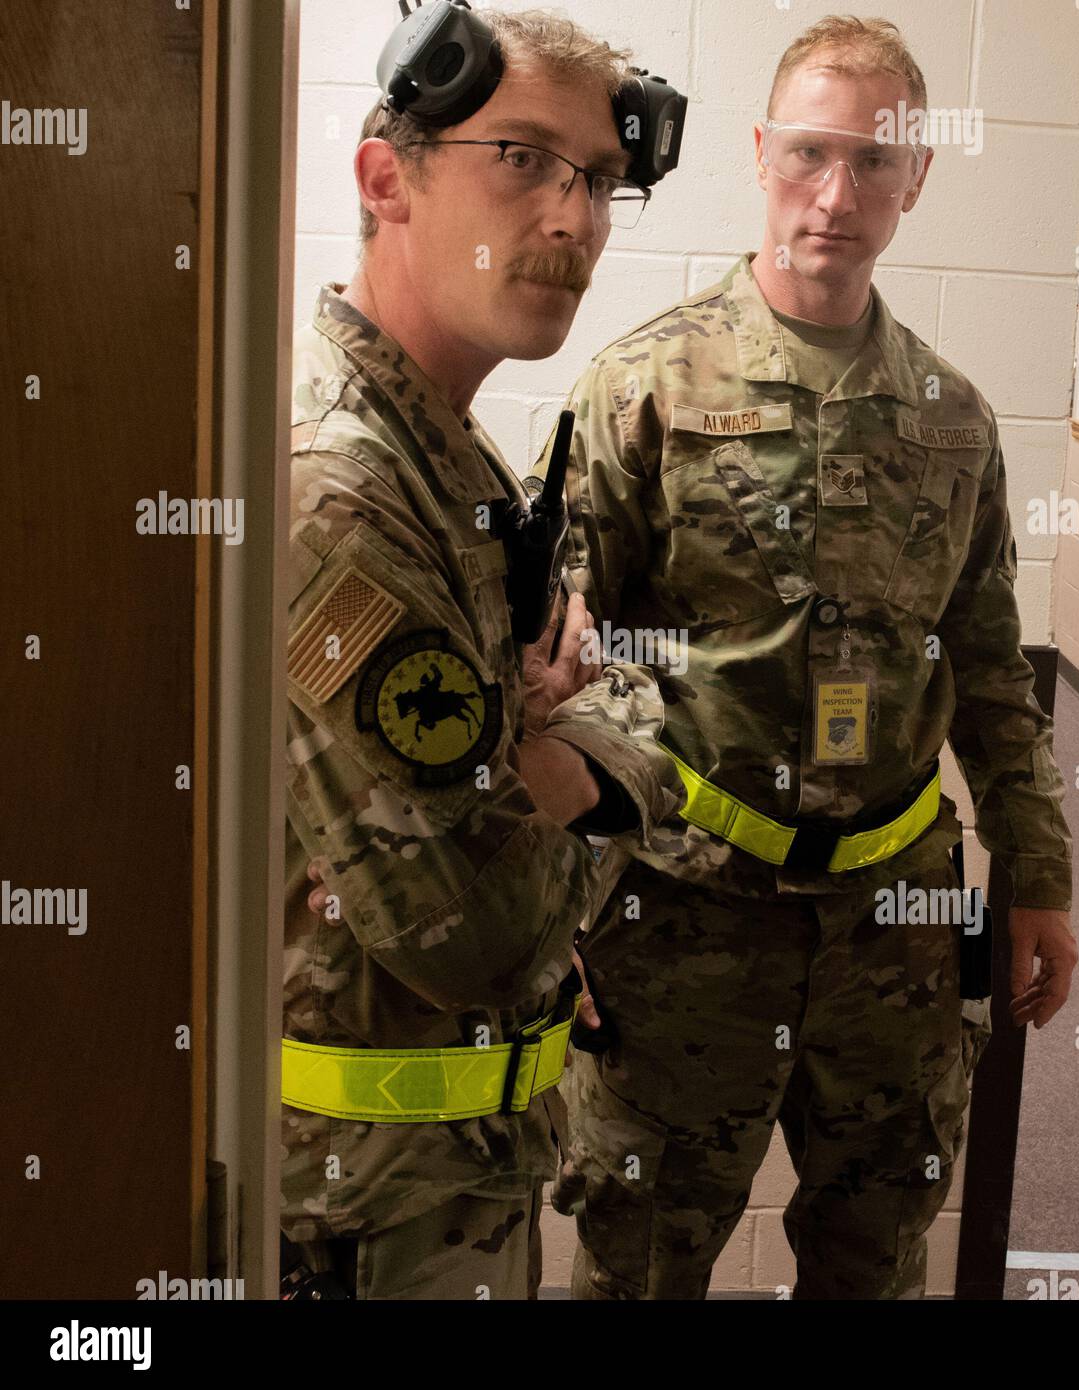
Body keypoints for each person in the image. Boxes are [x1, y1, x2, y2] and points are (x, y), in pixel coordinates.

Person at [541, 15, 1078, 1300]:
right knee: (643, 1257)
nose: (835, 195)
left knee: (880, 1254)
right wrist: (538, 911)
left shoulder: (951, 421)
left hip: (894, 919)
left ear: (916, 177)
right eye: (808, 154)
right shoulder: (640, 389)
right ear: (759, 154)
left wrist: (1038, 872)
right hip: (683, 912)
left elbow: (990, 665)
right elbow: (547, 669)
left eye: (873, 162)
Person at [282, 6, 682, 1301]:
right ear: (385, 177)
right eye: (521, 158)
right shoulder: (339, 492)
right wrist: (563, 763)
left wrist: (544, 755)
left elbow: (585, 706)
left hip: (458, 1172)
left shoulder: (449, 458)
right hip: (364, 1210)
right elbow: (478, 931)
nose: (574, 220)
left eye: (599, 181)